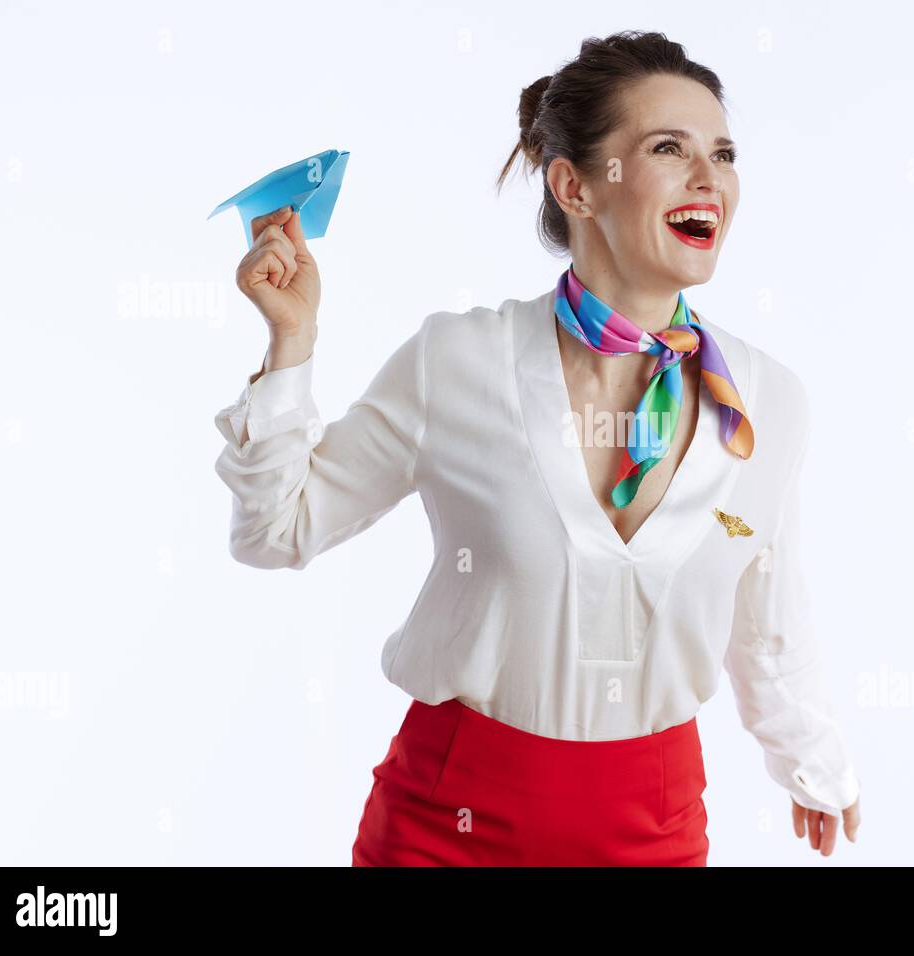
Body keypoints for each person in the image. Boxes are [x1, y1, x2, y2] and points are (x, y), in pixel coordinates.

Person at [213, 30, 862, 866]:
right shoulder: (458, 362)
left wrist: (812, 761)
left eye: (724, 153)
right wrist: (291, 345)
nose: (712, 179)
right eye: (669, 148)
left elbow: (768, 614)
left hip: (651, 830)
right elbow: (275, 534)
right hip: (447, 824)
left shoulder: (767, 402)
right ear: (576, 186)